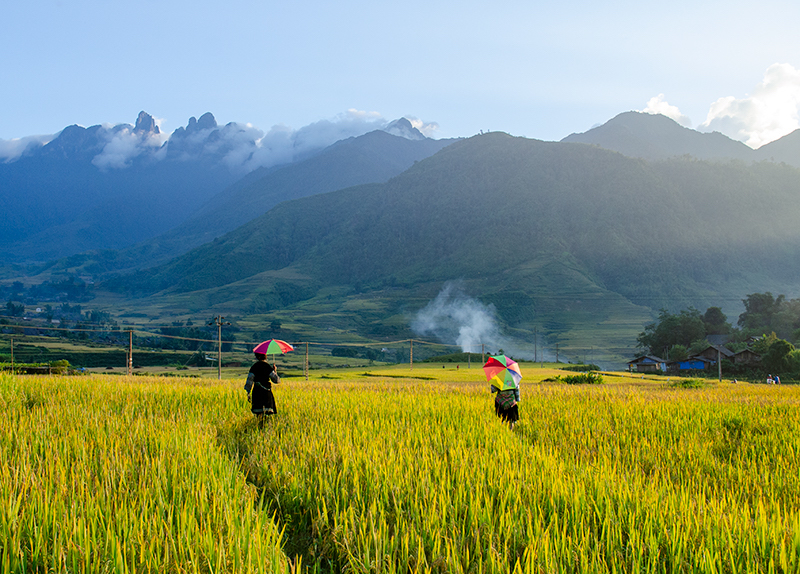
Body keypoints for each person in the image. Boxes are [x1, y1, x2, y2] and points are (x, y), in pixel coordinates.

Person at [244, 352, 280, 428]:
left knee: (258, 414)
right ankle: (266, 428)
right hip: (266, 392)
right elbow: (276, 380)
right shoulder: (267, 367)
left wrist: (248, 392)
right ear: (265, 356)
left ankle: (259, 427)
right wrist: (275, 371)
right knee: (267, 413)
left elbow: (249, 381)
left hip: (257, 392)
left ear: (257, 357)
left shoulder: (254, 367)